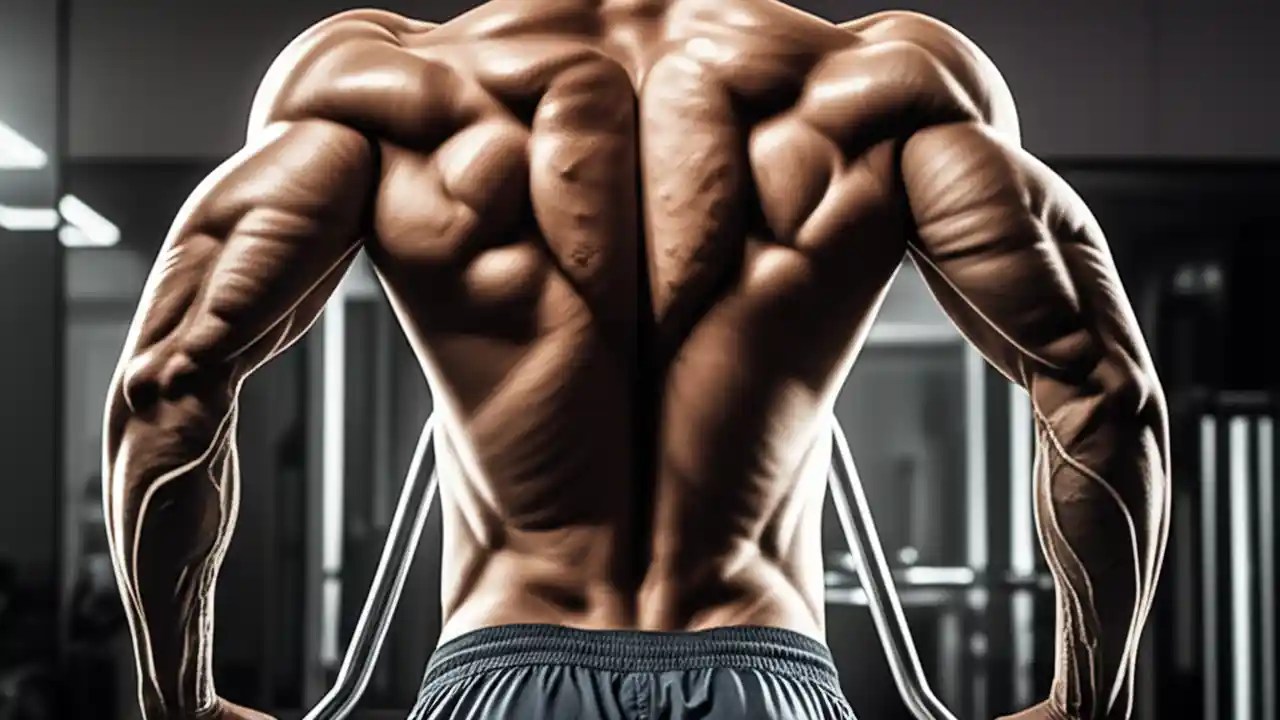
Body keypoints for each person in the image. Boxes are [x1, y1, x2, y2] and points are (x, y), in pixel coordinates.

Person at [102, 1, 1170, 718]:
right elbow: (1106, 399)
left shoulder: (379, 86)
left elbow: (165, 389)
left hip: (502, 673)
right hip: (766, 673)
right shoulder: (888, 83)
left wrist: (177, 697)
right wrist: (1087, 698)